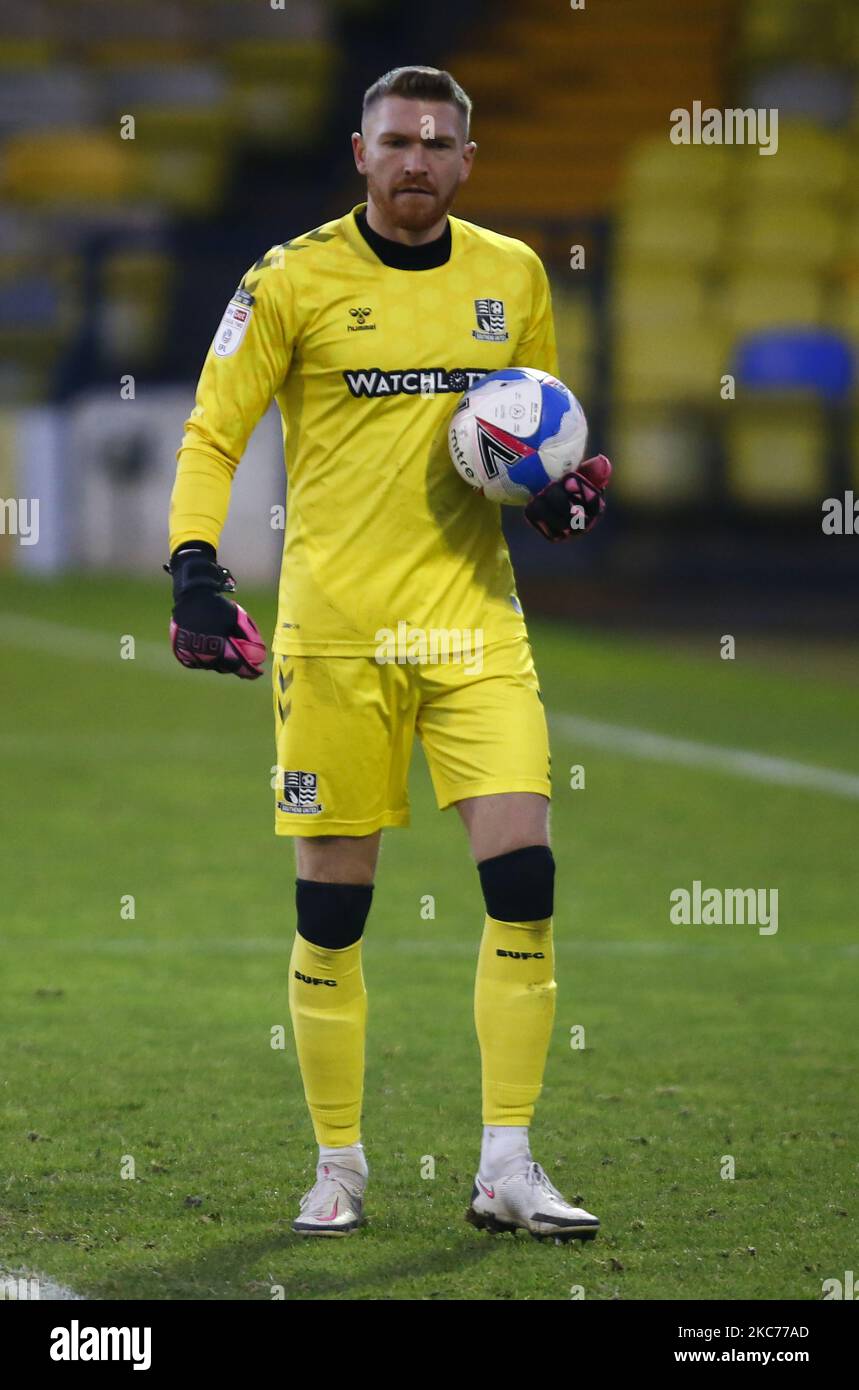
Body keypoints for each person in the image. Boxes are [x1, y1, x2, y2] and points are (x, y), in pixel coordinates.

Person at [166, 65, 611, 1243]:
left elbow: (530, 430)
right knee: (333, 917)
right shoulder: (289, 278)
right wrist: (196, 570)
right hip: (337, 637)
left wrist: (555, 501)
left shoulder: (510, 274)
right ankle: (338, 1166)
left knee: (523, 880)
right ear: (358, 154)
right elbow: (214, 432)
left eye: (438, 142)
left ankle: (507, 1161)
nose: (416, 158)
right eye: (396, 140)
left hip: (474, 626)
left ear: (467, 160)